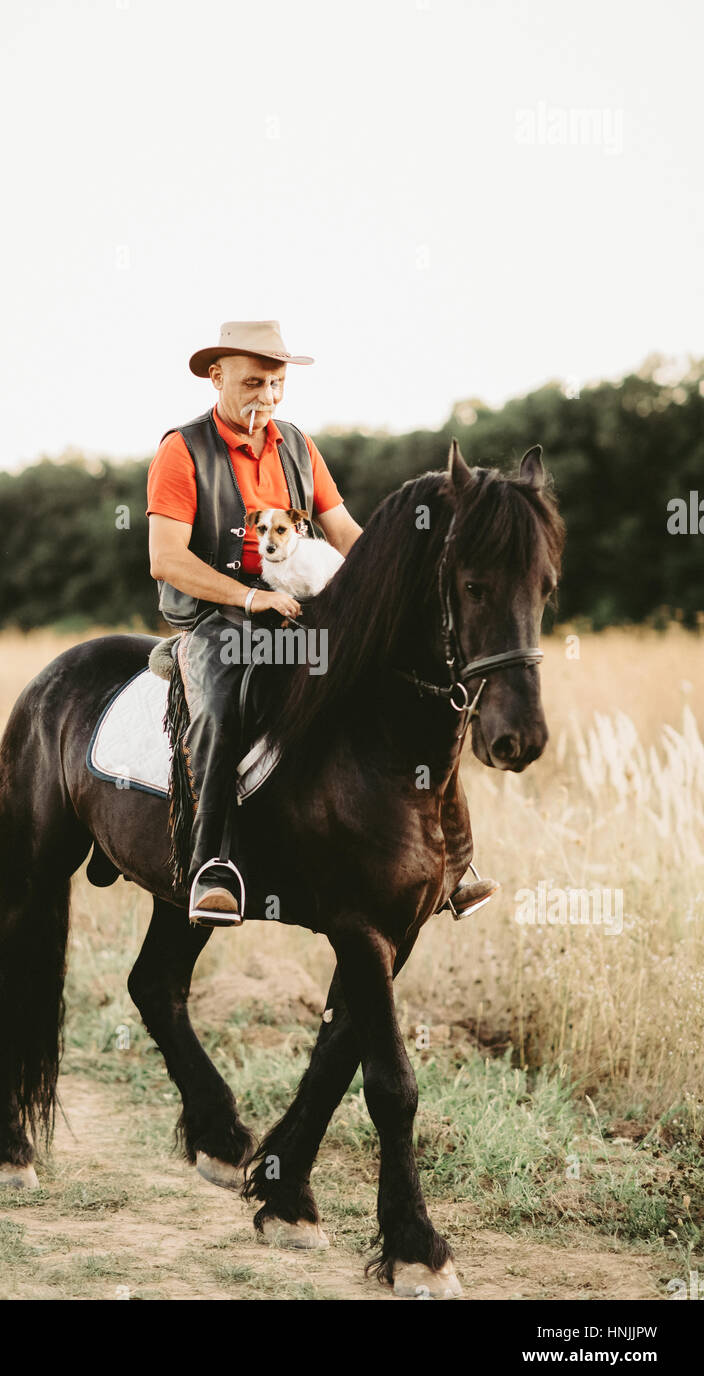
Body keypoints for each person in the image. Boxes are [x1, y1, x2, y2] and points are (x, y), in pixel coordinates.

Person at [146, 320, 498, 926]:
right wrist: (250, 600)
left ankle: (453, 861)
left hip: (304, 613)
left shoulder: (298, 447)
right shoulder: (182, 450)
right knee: (220, 701)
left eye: (278, 383)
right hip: (218, 619)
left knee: (400, 685)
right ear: (217, 375)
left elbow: (348, 537)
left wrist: (396, 591)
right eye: (254, 382)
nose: (268, 396)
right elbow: (166, 559)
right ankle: (213, 865)